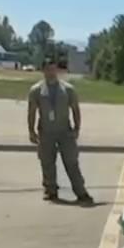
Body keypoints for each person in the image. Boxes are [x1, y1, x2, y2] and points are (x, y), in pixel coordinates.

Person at [27, 56, 93, 205]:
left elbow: (75, 110)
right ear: (43, 70)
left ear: (57, 70)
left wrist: (77, 128)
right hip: (46, 132)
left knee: (71, 162)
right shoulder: (36, 91)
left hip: (65, 132)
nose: (51, 72)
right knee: (47, 162)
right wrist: (31, 131)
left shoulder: (67, 90)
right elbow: (31, 111)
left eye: (53, 69)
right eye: (48, 69)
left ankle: (81, 192)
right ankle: (50, 190)